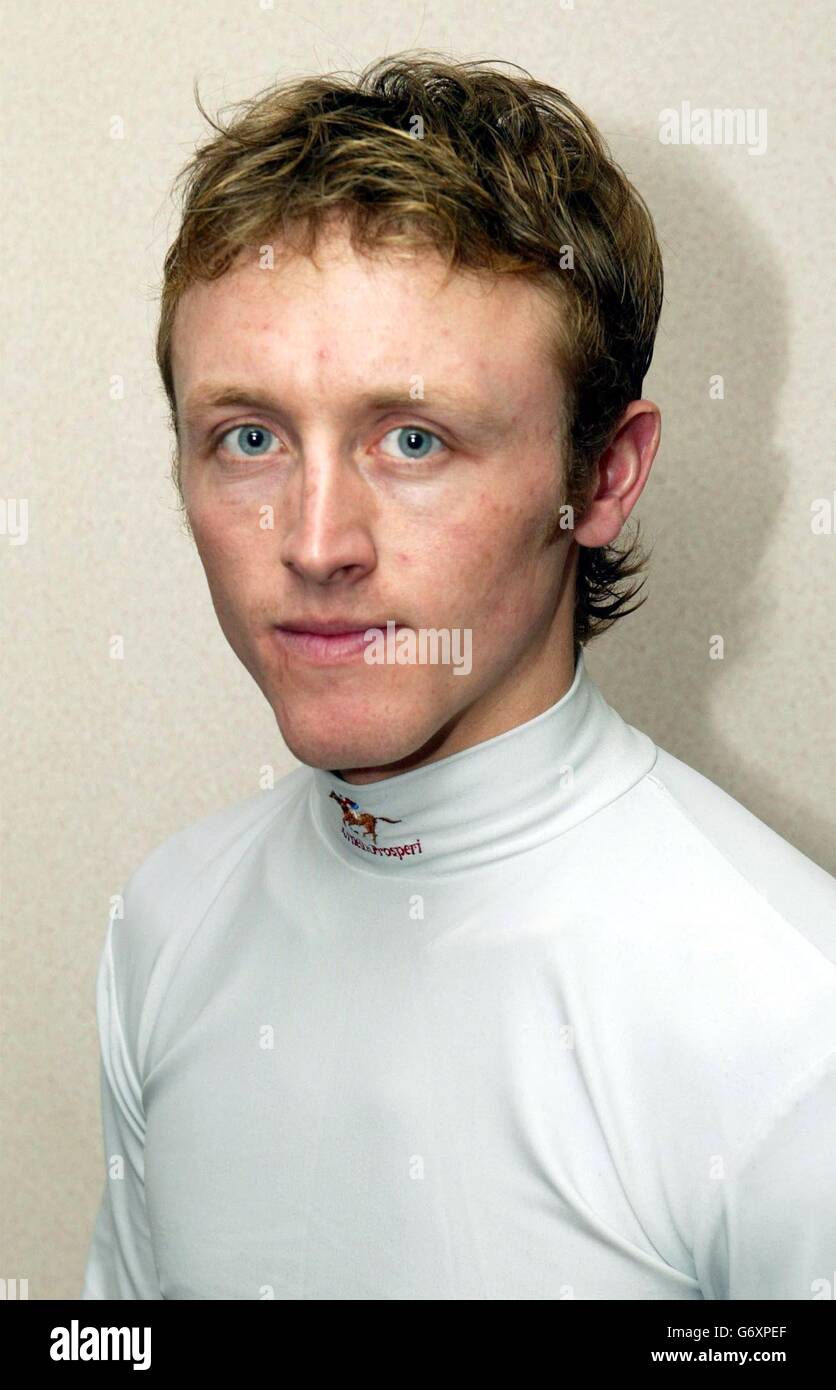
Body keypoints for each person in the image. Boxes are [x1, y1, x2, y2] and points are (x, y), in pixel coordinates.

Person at [81, 52, 836, 1301]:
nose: (315, 542)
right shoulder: (166, 924)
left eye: (414, 439)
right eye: (250, 437)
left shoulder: (790, 1019)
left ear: (598, 477)